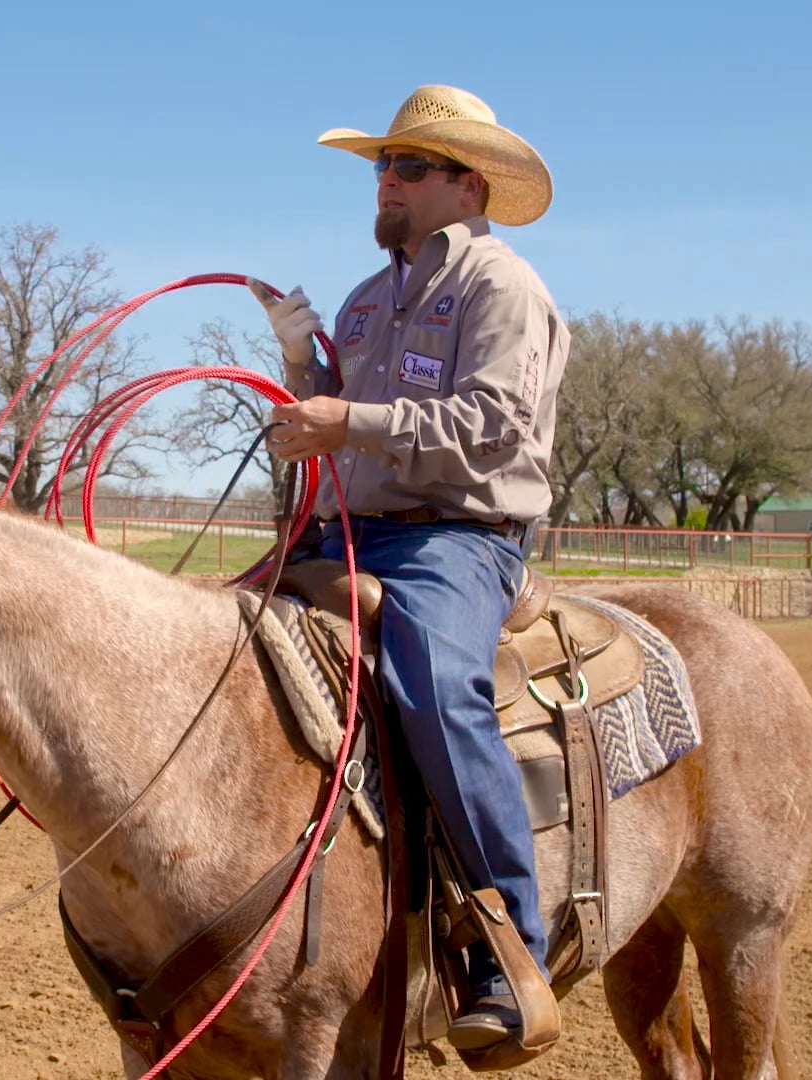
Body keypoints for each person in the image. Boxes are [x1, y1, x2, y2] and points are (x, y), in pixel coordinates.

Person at [256, 85, 569, 1050]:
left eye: (408, 166)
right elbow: (335, 426)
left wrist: (342, 420)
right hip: (351, 531)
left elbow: (490, 424)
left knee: (435, 682)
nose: (385, 182)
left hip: (459, 539)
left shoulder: (500, 288)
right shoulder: (360, 303)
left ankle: (508, 945)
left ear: (467, 187)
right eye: (382, 165)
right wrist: (302, 369)